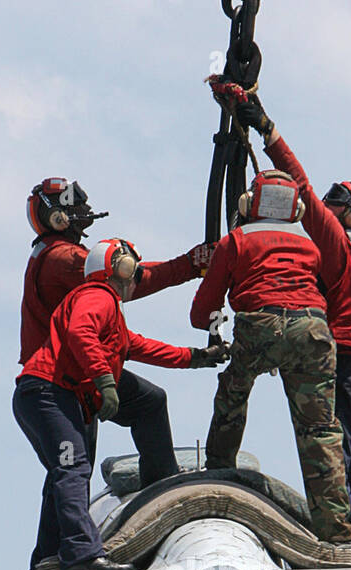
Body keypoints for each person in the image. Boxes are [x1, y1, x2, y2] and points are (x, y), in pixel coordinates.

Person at [15, 237, 228, 570]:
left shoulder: (109, 308)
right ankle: (81, 556)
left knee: (148, 401)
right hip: (49, 393)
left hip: (60, 394)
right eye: (133, 271)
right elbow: (79, 331)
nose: (136, 278)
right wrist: (104, 380)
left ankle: (48, 557)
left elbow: (140, 346)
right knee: (71, 467)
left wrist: (195, 358)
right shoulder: (96, 297)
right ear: (120, 269)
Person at [219, 83, 351, 512]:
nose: (321, 214)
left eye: (334, 209)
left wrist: (266, 128)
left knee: (331, 457)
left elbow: (301, 186)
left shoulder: (337, 245)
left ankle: (340, 537)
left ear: (350, 213)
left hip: (339, 369)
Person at [20, 177, 215, 514]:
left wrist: (193, 357)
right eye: (75, 205)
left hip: (68, 374)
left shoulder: (52, 258)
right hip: (66, 379)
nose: (84, 211)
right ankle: (73, 550)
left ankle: (55, 554)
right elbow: (132, 281)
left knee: (73, 466)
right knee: (72, 469)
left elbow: (130, 343)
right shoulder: (66, 260)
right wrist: (191, 264)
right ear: (58, 217)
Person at [189, 167, 351, 544]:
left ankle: (219, 474)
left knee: (233, 393)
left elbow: (203, 310)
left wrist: (209, 328)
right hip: (313, 329)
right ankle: (334, 528)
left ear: (249, 203)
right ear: (294, 209)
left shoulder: (235, 241)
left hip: (260, 326)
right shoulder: (309, 244)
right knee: (320, 430)